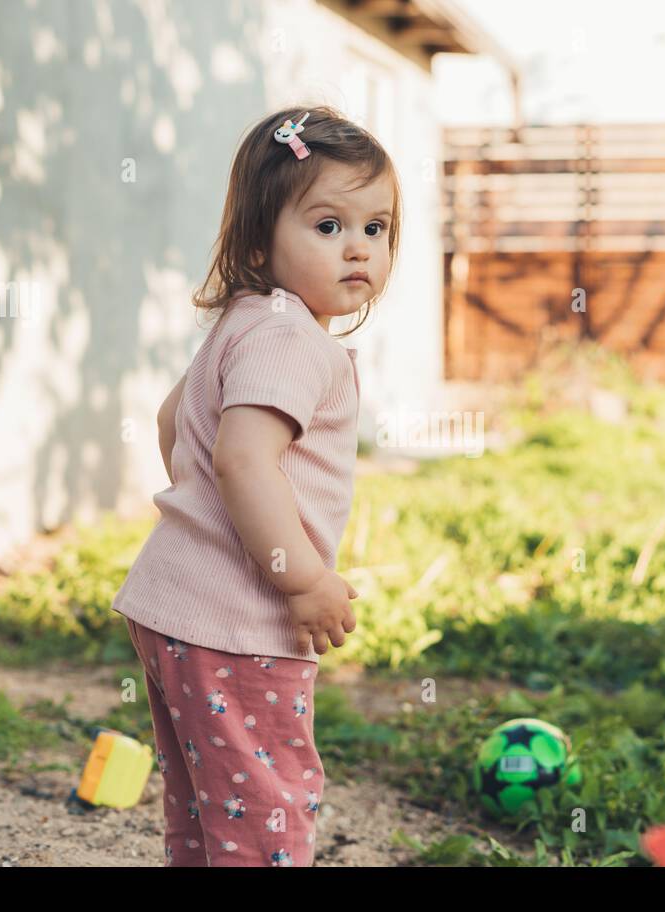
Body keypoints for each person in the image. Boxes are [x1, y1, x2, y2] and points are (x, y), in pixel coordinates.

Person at [110, 105, 402, 866]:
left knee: (212, 799)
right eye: (328, 225)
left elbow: (176, 421)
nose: (359, 250)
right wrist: (302, 578)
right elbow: (243, 460)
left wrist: (204, 524)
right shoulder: (291, 340)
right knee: (269, 798)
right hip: (237, 626)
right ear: (258, 241)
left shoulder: (246, 321)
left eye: (377, 228)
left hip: (177, 611)